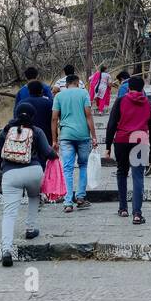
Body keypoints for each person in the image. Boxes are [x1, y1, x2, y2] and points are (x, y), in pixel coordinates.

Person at [0, 101, 58, 267]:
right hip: (34, 172)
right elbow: (48, 153)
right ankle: (30, 228)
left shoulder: (6, 131)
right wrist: (55, 156)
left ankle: (6, 249)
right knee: (34, 196)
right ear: (33, 116)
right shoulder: (36, 131)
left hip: (10, 175)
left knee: (9, 213)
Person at [105, 74, 151, 224]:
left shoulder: (121, 100)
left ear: (128, 88)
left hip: (121, 140)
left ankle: (123, 208)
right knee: (138, 176)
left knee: (121, 172)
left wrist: (107, 146)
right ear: (142, 88)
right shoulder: (148, 103)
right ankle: (137, 214)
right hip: (140, 141)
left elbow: (112, 124)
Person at [52, 68, 97, 212]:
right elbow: (89, 116)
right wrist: (94, 136)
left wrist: (54, 139)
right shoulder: (83, 93)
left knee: (68, 169)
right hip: (83, 135)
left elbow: (54, 119)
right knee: (83, 165)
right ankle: (81, 197)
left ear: (66, 84)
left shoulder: (58, 96)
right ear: (77, 83)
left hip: (66, 136)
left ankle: (67, 202)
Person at [20, 78, 54, 144]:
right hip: (46, 137)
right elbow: (53, 119)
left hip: (27, 137)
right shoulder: (48, 103)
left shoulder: (22, 104)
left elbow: (16, 119)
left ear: (29, 91)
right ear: (41, 90)